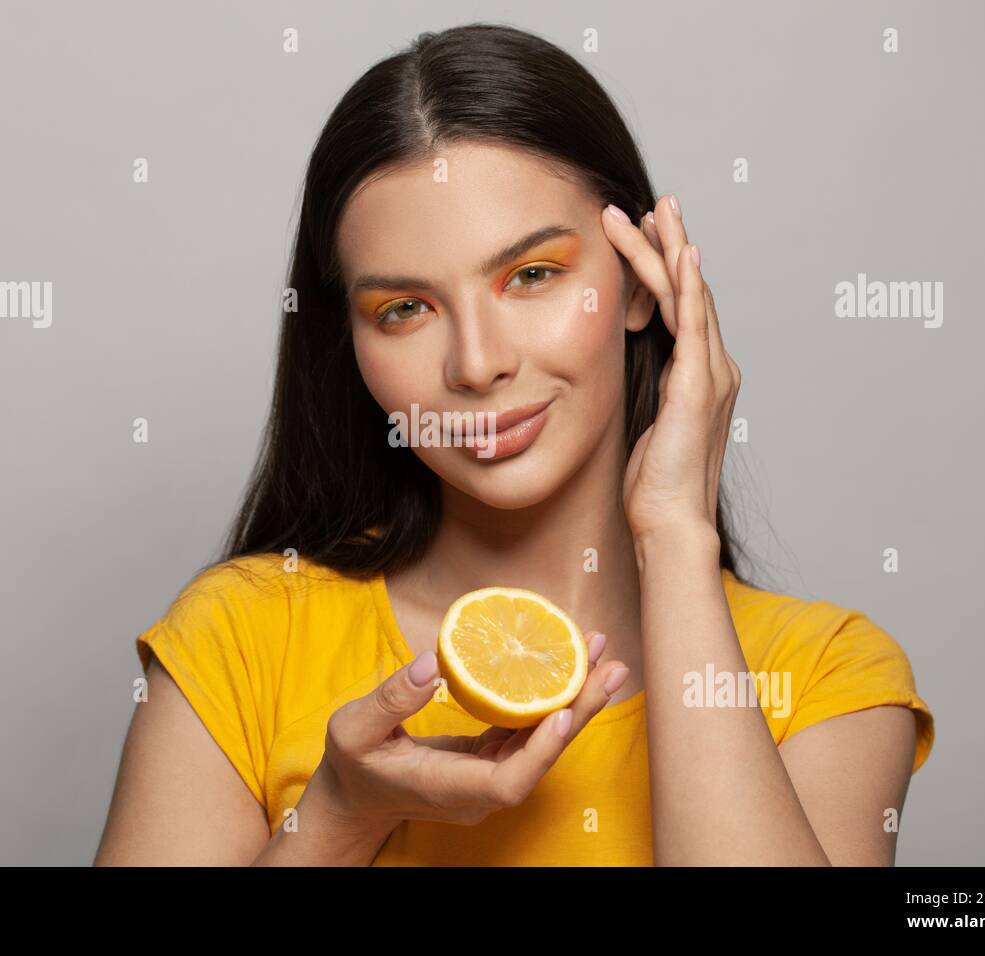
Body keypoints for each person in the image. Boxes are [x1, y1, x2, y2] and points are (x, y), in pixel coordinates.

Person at [94, 22, 934, 867]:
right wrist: (342, 814)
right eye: (404, 309)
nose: (478, 363)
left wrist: (676, 538)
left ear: (642, 284)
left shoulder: (826, 675)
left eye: (532, 276)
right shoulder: (240, 637)